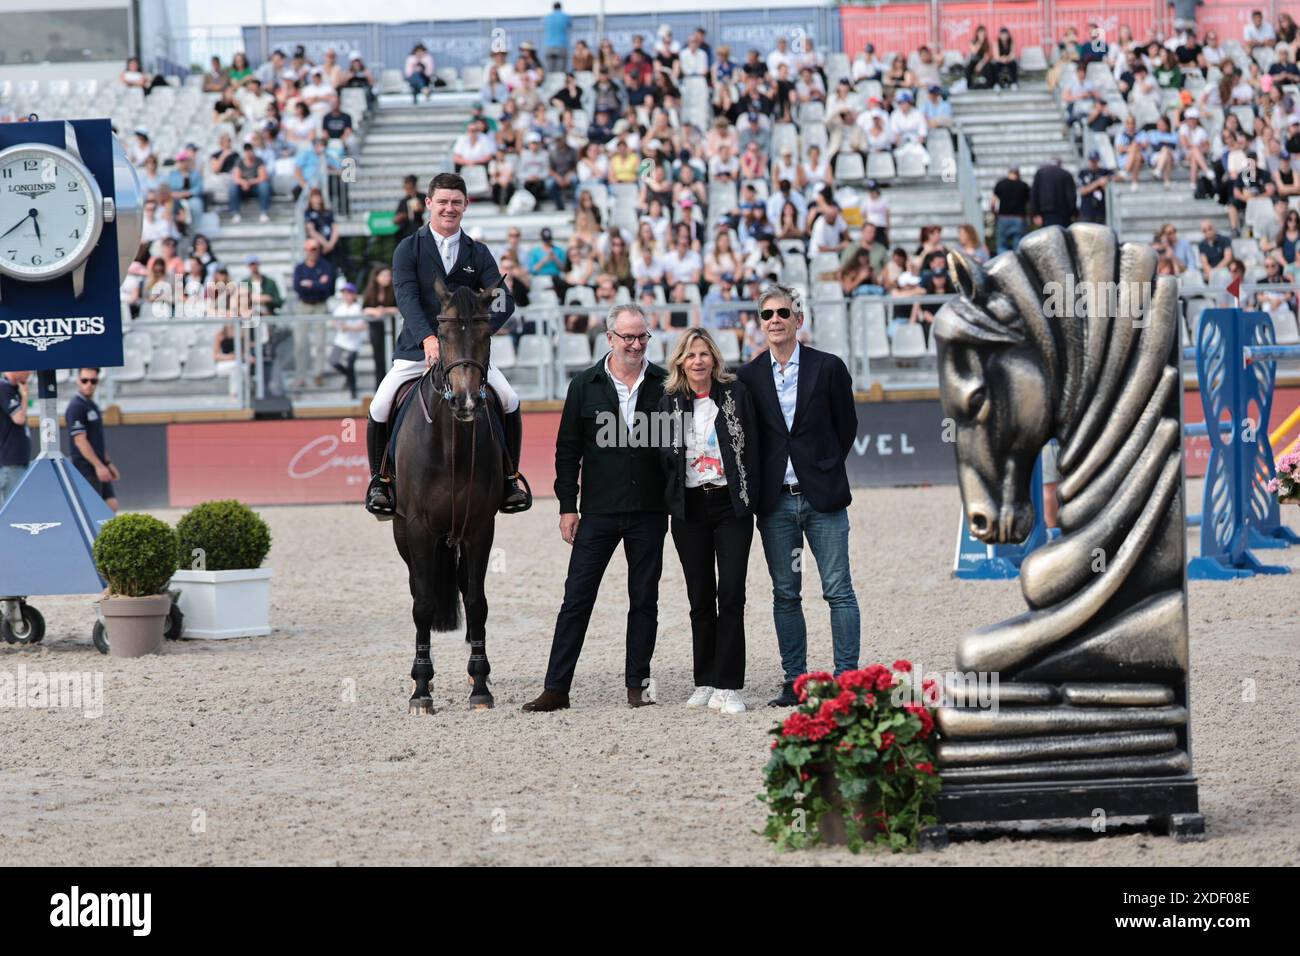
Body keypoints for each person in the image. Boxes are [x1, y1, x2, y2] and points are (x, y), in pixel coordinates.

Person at [522, 305, 669, 712]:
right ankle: (556, 688)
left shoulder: (664, 384)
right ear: (610, 338)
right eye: (628, 337)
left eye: (642, 337)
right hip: (598, 511)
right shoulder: (584, 384)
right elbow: (567, 450)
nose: (636, 344)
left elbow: (677, 447)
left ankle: (638, 686)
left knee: (644, 598)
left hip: (650, 511)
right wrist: (568, 506)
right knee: (577, 597)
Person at [365, 172, 529, 518]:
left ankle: (510, 478)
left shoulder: (478, 252)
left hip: (466, 355)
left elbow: (503, 302)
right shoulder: (409, 248)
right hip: (415, 349)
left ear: (466, 205)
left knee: (510, 400)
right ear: (429, 204)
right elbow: (406, 298)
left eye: (456, 202)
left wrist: (478, 336)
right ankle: (380, 482)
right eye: (442, 202)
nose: (449, 208)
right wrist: (428, 338)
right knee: (380, 405)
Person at [737, 284, 860, 707]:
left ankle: (847, 681)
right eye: (767, 313)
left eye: (783, 313)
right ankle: (795, 681)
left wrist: (821, 467)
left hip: (822, 497)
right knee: (786, 593)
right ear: (760, 322)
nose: (775, 319)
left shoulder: (829, 368)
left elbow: (847, 427)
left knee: (838, 590)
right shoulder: (748, 375)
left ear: (798, 320)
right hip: (775, 503)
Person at [657, 327, 758, 712]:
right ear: (680, 361)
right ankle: (705, 679)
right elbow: (662, 457)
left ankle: (729, 685)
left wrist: (752, 499)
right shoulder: (669, 402)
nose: (698, 361)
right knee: (699, 597)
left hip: (730, 505)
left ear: (714, 358)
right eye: (691, 355)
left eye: (704, 354)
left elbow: (755, 447)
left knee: (731, 593)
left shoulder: (736, 394)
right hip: (690, 509)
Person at [66, 369, 119, 512]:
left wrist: (107, 463)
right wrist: (99, 466)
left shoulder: (92, 405)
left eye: (93, 381)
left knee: (111, 505)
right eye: (85, 380)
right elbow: (80, 441)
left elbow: (97, 440)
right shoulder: (76, 407)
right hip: (86, 467)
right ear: (78, 380)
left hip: (98, 464)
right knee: (94, 510)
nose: (89, 384)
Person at [0, 370, 30, 508]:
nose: (29, 373)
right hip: (11, 463)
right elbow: (19, 418)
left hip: (17, 462)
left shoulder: (12, 388)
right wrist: (24, 395)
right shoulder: (4, 388)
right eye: (27, 369)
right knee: (13, 509)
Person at [227, 143, 271, 224]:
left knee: (264, 186)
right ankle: (235, 213)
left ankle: (263, 212)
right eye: (246, 151)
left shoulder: (259, 161)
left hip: (256, 187)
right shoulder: (239, 162)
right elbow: (236, 178)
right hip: (243, 188)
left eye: (249, 150)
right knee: (233, 187)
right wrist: (243, 182)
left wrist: (249, 182)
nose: (248, 153)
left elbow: (263, 177)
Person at [1030, 158, 1076, 228]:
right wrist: (1073, 213)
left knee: (1048, 237)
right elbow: (1071, 197)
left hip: (1045, 214)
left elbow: (1034, 194)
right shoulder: (1066, 174)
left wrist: (1036, 213)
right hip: (1063, 214)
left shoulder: (1040, 173)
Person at [1077, 149, 1112, 224]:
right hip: (1087, 211)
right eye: (1091, 161)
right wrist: (1098, 183)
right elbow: (1083, 191)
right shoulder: (1083, 173)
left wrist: (1107, 179)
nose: (1093, 163)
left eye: (1095, 161)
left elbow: (1119, 176)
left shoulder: (1103, 171)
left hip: (1100, 210)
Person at [543, 2, 572, 75]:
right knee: (561, 71)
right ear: (561, 8)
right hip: (561, 45)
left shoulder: (548, 17)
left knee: (549, 71)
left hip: (549, 46)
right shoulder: (565, 17)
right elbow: (570, 25)